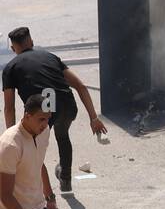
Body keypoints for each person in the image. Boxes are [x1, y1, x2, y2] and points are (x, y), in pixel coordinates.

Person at [3, 27, 108, 193]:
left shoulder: (11, 68)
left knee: (34, 147)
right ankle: (65, 178)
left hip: (42, 111)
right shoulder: (50, 57)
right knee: (63, 136)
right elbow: (80, 86)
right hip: (67, 105)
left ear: (12, 48)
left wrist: (12, 135)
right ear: (31, 42)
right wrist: (93, 118)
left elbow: (9, 107)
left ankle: (44, 192)